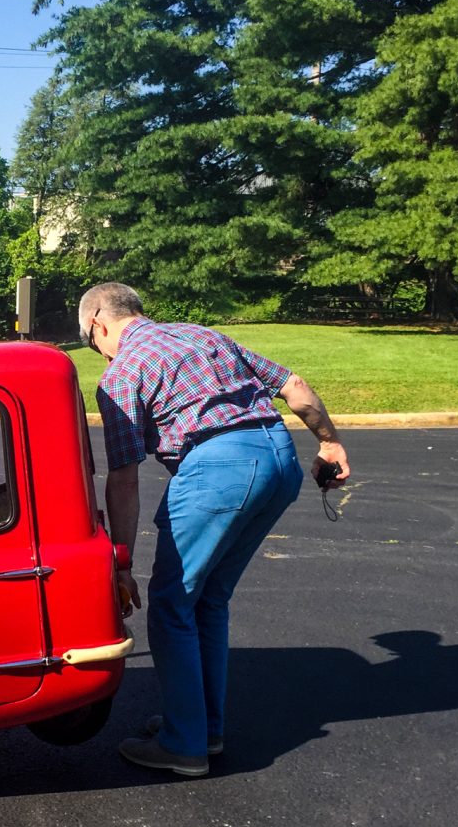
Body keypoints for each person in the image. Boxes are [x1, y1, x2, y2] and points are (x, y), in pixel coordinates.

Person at [78, 281, 351, 777]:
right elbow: (294, 387)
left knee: (170, 604)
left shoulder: (122, 376)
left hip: (220, 471)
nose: (97, 353)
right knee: (208, 600)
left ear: (98, 320)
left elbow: (123, 478)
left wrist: (121, 563)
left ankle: (184, 745)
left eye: (90, 341)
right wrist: (330, 444)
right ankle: (206, 726)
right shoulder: (203, 336)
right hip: (279, 459)